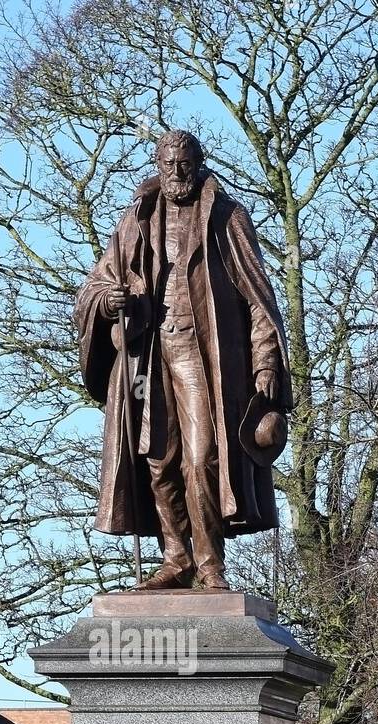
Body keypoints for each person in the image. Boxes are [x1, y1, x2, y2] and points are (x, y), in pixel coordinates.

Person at [75, 130, 292, 591]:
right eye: (169, 163)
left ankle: (211, 564)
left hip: (202, 357)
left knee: (203, 457)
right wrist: (107, 302)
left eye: (185, 163)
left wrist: (266, 362)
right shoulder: (137, 219)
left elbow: (259, 299)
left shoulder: (226, 218)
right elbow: (95, 285)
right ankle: (177, 558)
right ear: (158, 164)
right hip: (148, 357)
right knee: (158, 458)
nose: (177, 172)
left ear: (199, 163)